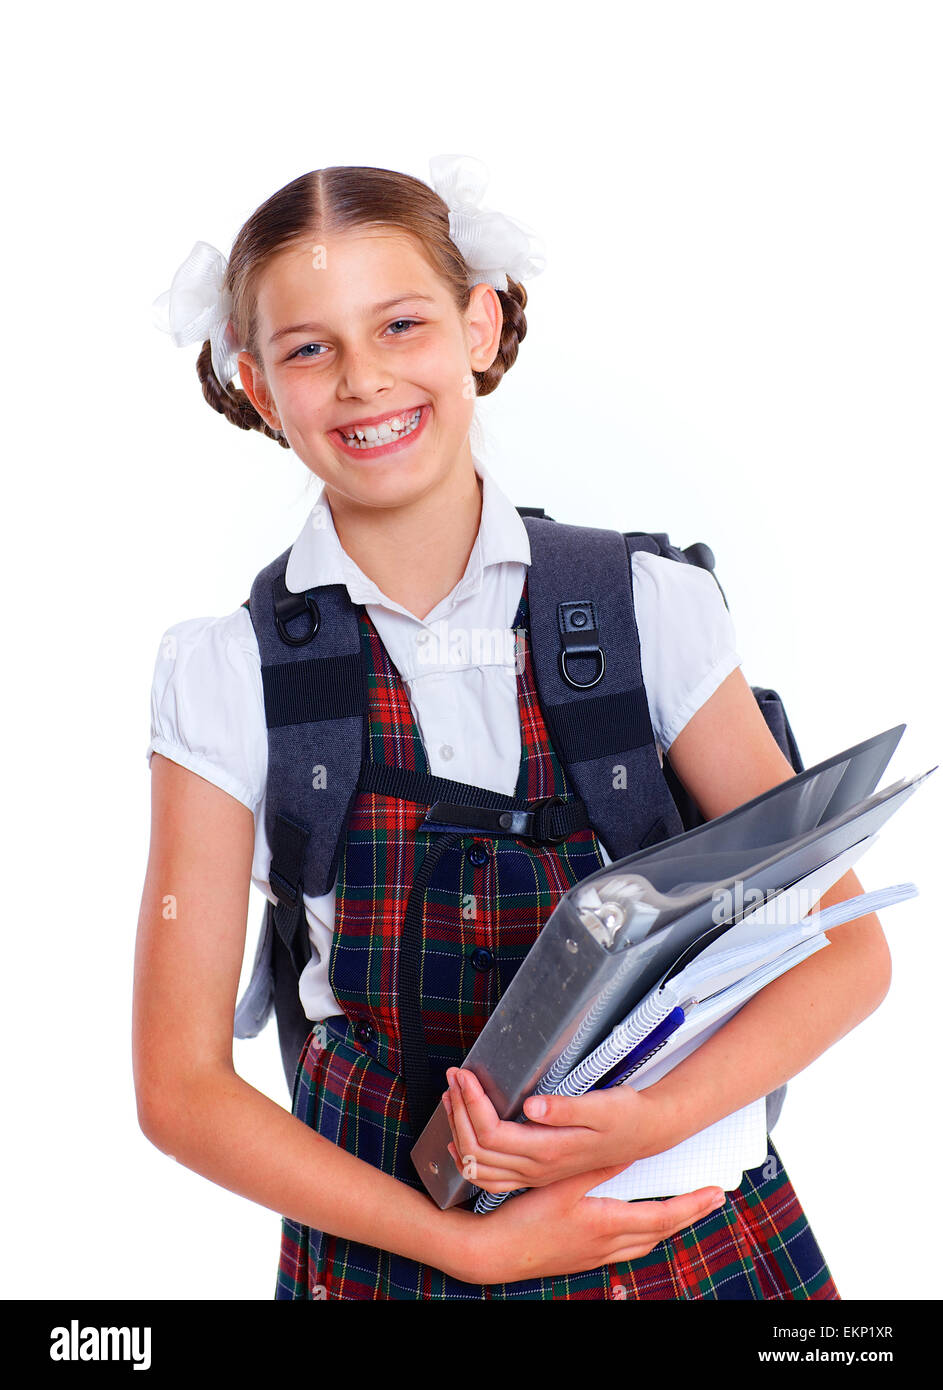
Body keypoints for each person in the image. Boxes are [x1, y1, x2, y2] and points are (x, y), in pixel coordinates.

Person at [134, 154, 891, 1301]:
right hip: (389, 1252)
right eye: (308, 348)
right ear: (252, 380)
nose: (362, 379)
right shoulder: (226, 675)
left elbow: (845, 944)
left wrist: (650, 1120)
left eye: (400, 324)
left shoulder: (645, 609)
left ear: (478, 325)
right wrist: (464, 1245)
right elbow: (178, 1086)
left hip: (676, 1234)